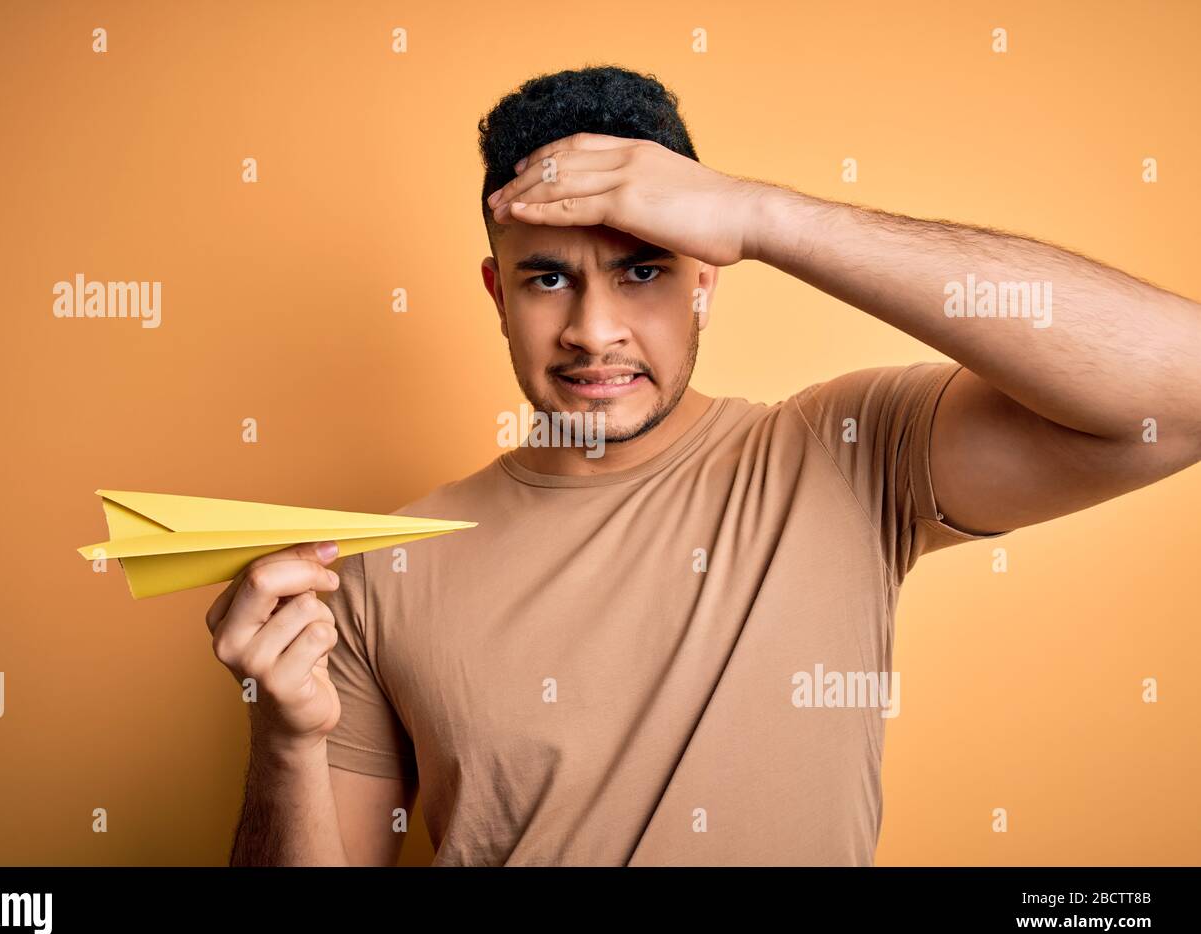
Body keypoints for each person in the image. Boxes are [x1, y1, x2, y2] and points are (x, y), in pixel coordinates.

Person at [206, 65, 1201, 866]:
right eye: (547, 276)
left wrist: (767, 216)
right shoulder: (384, 572)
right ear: (495, 291)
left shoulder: (848, 454)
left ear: (707, 279)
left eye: (644, 269)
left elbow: (1181, 388)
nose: (594, 332)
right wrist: (286, 742)